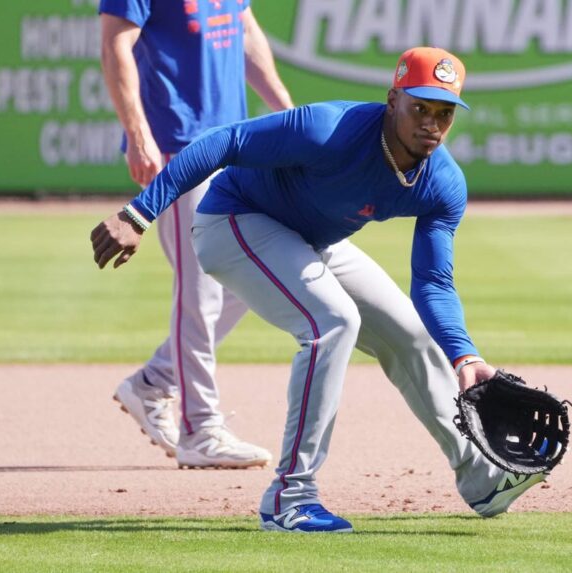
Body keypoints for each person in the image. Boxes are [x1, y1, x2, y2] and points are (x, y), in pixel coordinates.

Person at [91, 47, 546, 533]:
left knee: (411, 335)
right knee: (333, 322)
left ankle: (480, 477)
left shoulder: (441, 182)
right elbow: (225, 141)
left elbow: (433, 282)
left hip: (309, 241)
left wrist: (465, 356)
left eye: (444, 112)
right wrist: (139, 213)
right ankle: (290, 497)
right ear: (393, 100)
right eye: (420, 107)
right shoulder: (328, 128)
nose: (431, 123)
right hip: (234, 220)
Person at [99, 0, 295, 468]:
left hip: (232, 143)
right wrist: (138, 134)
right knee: (201, 290)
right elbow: (114, 45)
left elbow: (245, 33)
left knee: (255, 272)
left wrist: (288, 117)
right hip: (178, 145)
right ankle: (200, 430)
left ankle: (154, 382)